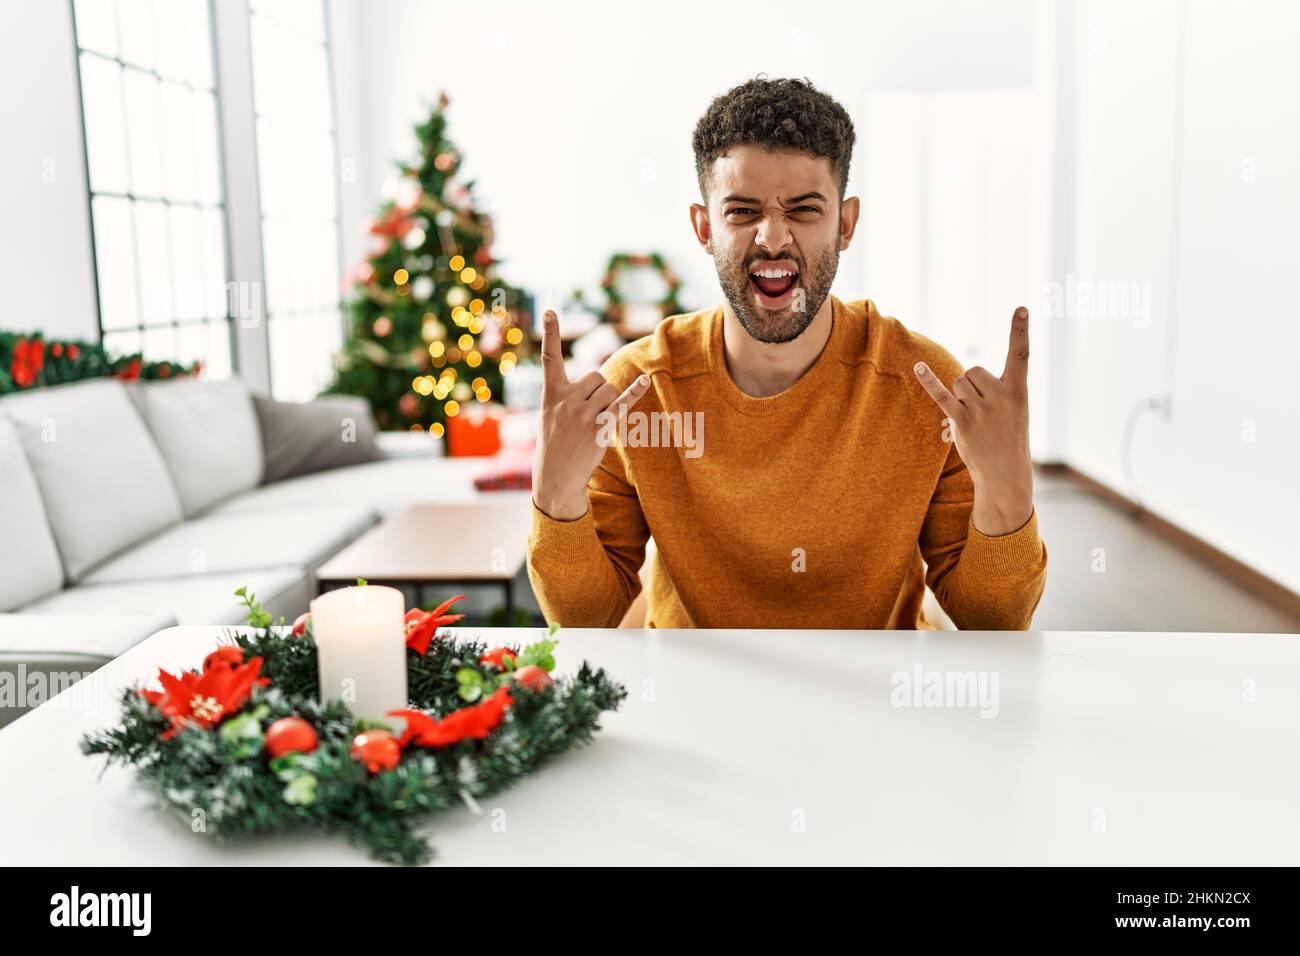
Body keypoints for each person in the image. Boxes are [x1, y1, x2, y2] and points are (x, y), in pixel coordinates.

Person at [527, 77, 1047, 630]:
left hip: (875, 697)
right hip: (692, 693)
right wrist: (554, 494)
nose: (772, 239)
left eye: (802, 209)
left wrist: (1007, 490)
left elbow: (994, 625)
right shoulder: (638, 388)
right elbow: (586, 620)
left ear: (845, 224)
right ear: (704, 228)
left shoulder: (924, 385)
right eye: (743, 211)